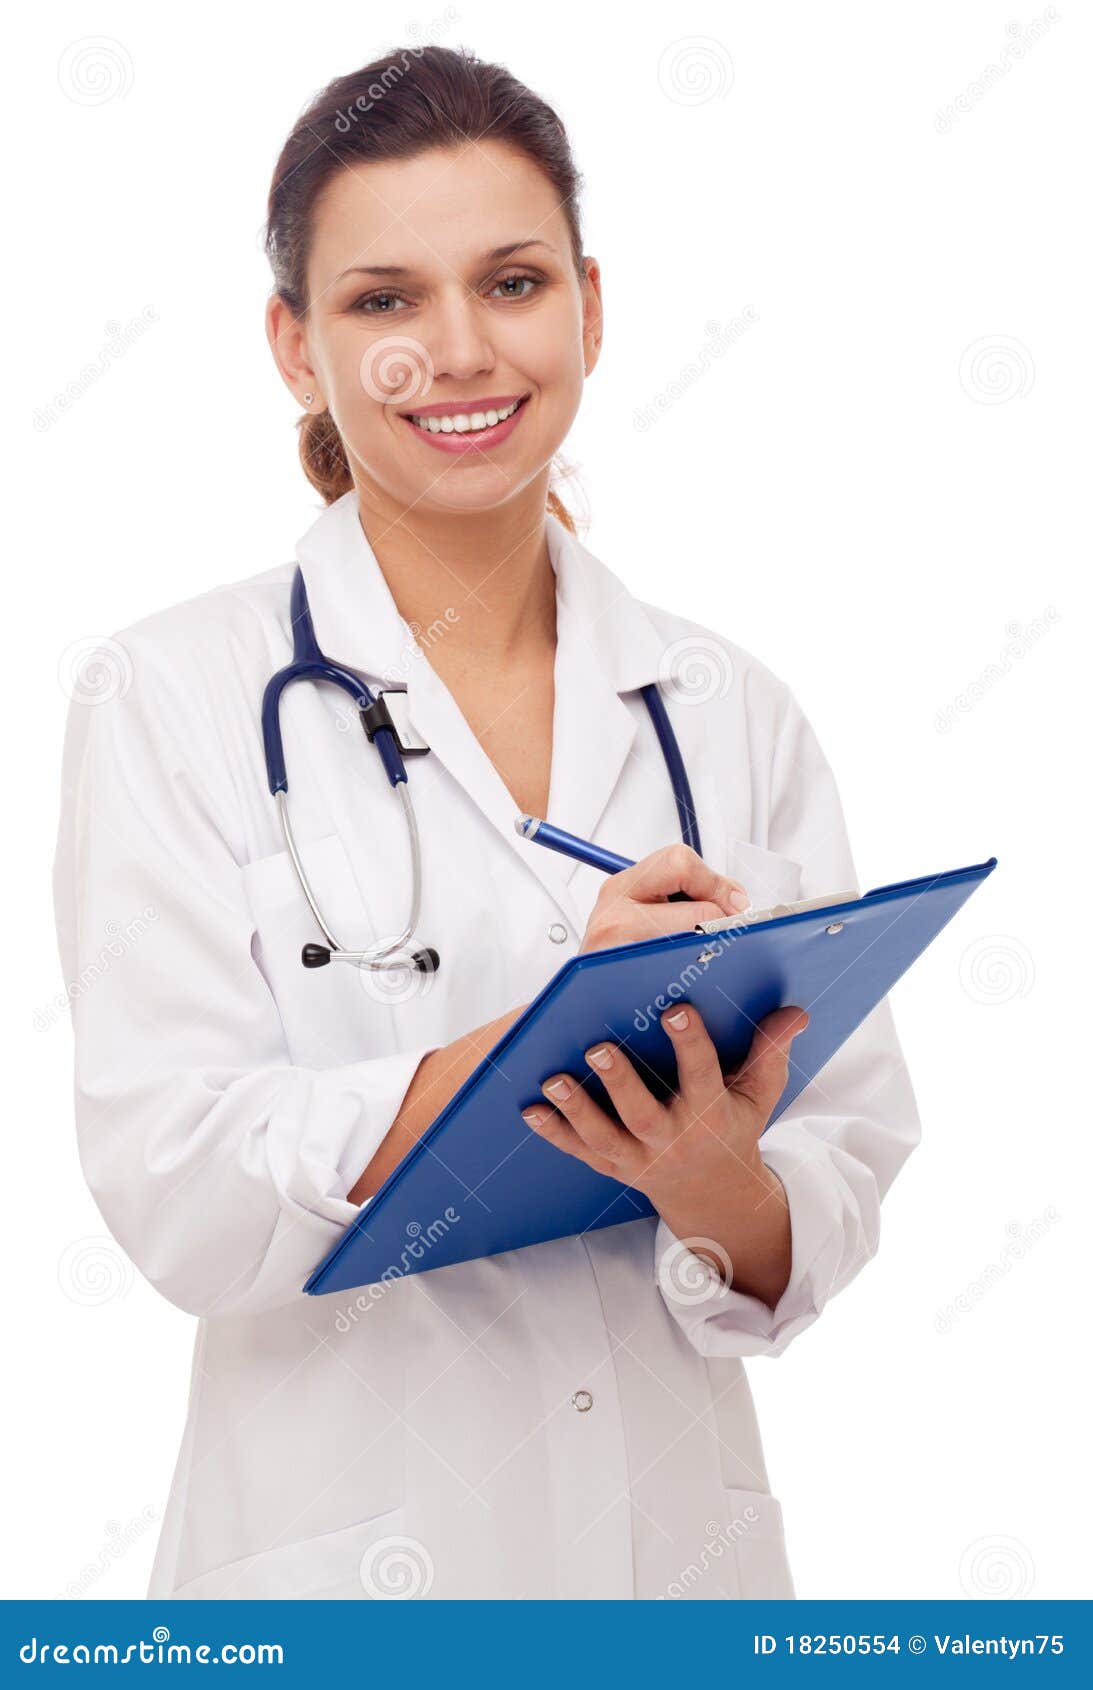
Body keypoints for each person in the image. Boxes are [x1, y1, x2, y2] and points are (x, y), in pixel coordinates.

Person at [52, 45, 920, 1601]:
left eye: (511, 283)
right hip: (344, 1580)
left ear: (588, 303)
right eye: (383, 300)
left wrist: (717, 1184)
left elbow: (846, 1152)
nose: (457, 349)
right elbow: (172, 1185)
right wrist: (529, 1042)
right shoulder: (169, 695)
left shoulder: (725, 704)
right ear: (296, 347)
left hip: (680, 1575)